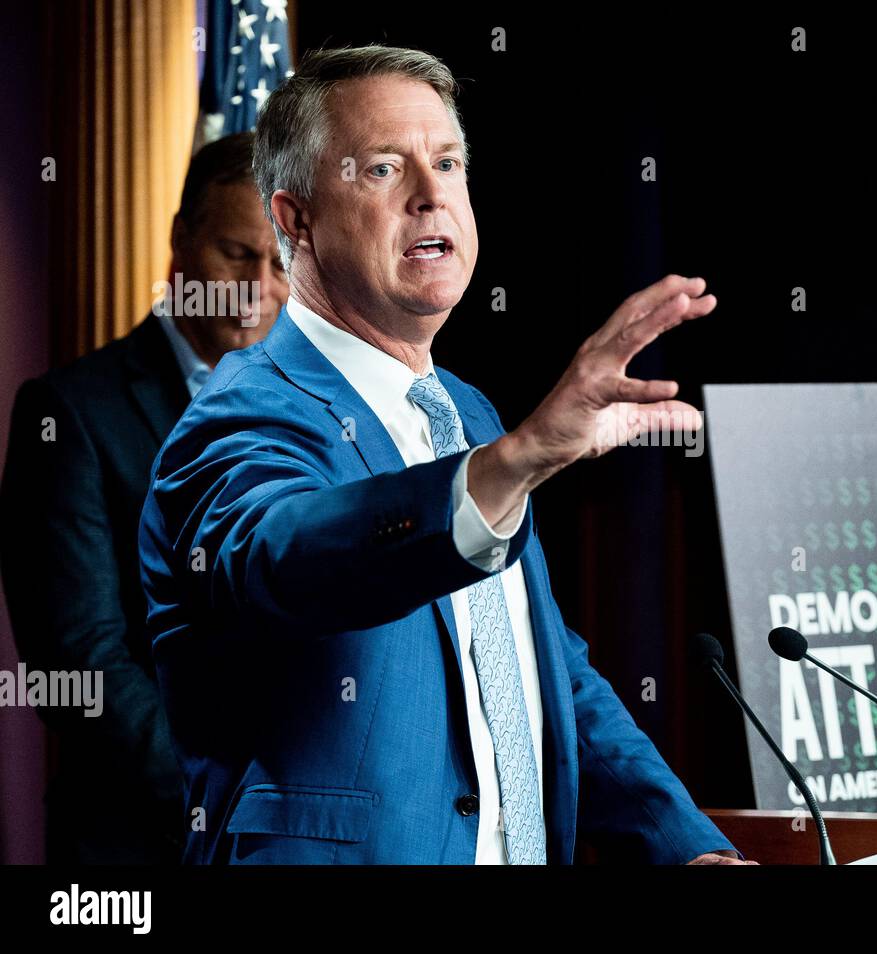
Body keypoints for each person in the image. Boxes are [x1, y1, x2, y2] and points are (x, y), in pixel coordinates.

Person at [139, 45, 751, 864]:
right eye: (386, 168)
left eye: (450, 162)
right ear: (295, 219)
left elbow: (546, 671)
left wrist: (687, 848)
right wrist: (520, 458)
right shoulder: (241, 414)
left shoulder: (465, 410)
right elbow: (287, 559)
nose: (433, 197)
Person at [0, 131, 287, 863]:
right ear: (180, 244)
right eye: (237, 253)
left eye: (282, 262)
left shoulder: (321, 409)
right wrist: (234, 804)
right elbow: (79, 661)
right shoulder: (68, 413)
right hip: (140, 845)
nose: (259, 288)